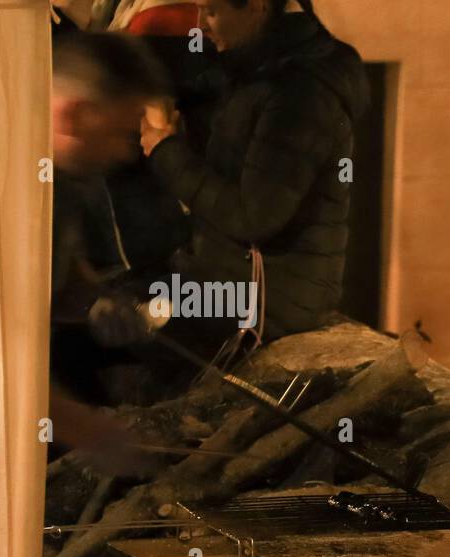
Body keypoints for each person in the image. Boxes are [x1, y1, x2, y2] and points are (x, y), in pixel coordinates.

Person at [140, 0, 369, 342]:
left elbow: (254, 216)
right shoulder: (256, 66)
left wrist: (165, 151)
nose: (200, 24)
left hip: (268, 302)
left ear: (258, 7)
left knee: (125, 336)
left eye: (212, 11)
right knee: (116, 311)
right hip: (236, 283)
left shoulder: (302, 91)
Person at [49, 31, 173, 474]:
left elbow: (58, 266)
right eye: (122, 131)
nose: (126, 150)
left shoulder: (64, 182)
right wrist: (92, 432)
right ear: (76, 113)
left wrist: (95, 301)